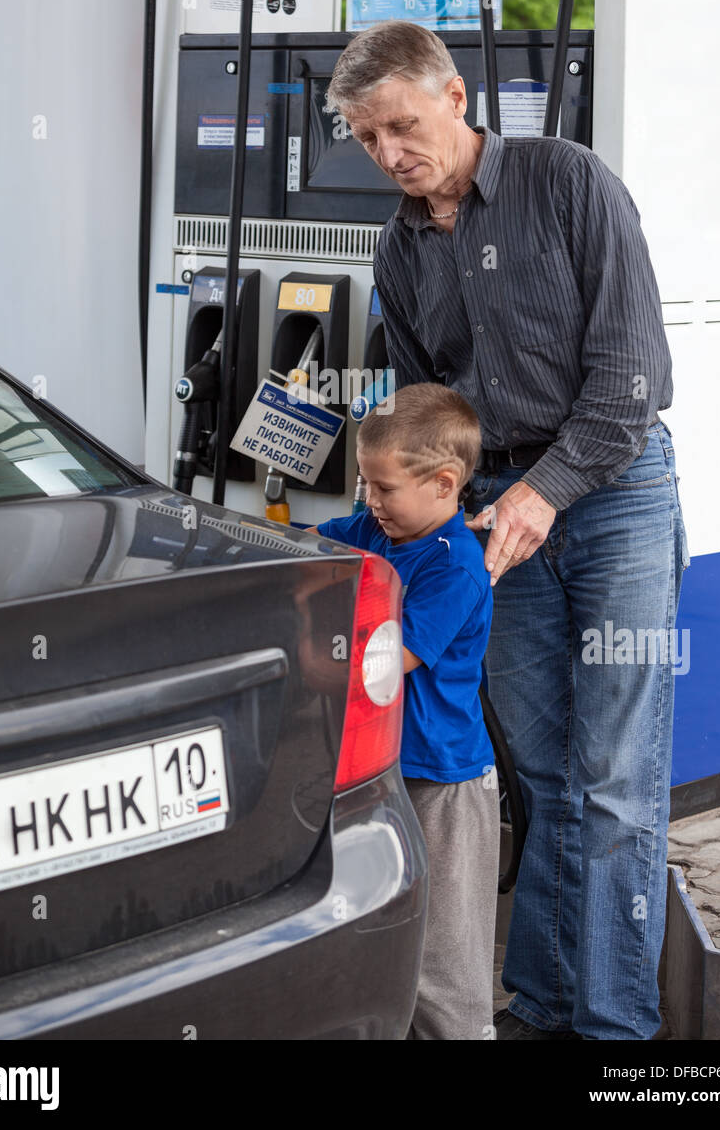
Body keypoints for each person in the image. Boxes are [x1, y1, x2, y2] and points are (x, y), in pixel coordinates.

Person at [324, 19, 689, 1042]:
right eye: (367, 137)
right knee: (540, 774)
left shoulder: (566, 182)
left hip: (613, 490)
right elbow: (423, 413)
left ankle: (616, 1030)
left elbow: (630, 379)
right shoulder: (398, 247)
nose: (389, 152)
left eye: (402, 125)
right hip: (491, 512)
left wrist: (546, 491)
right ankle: (543, 1001)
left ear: (453, 96)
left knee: (617, 779)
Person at [311, 382, 499, 1040]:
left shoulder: (455, 567)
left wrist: (300, 655)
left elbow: (386, 664)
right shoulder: (374, 528)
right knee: (380, 935)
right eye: (365, 484)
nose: (369, 500)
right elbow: (304, 543)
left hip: (444, 783)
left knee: (444, 957)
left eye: (383, 487)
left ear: (445, 484)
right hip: (380, 772)